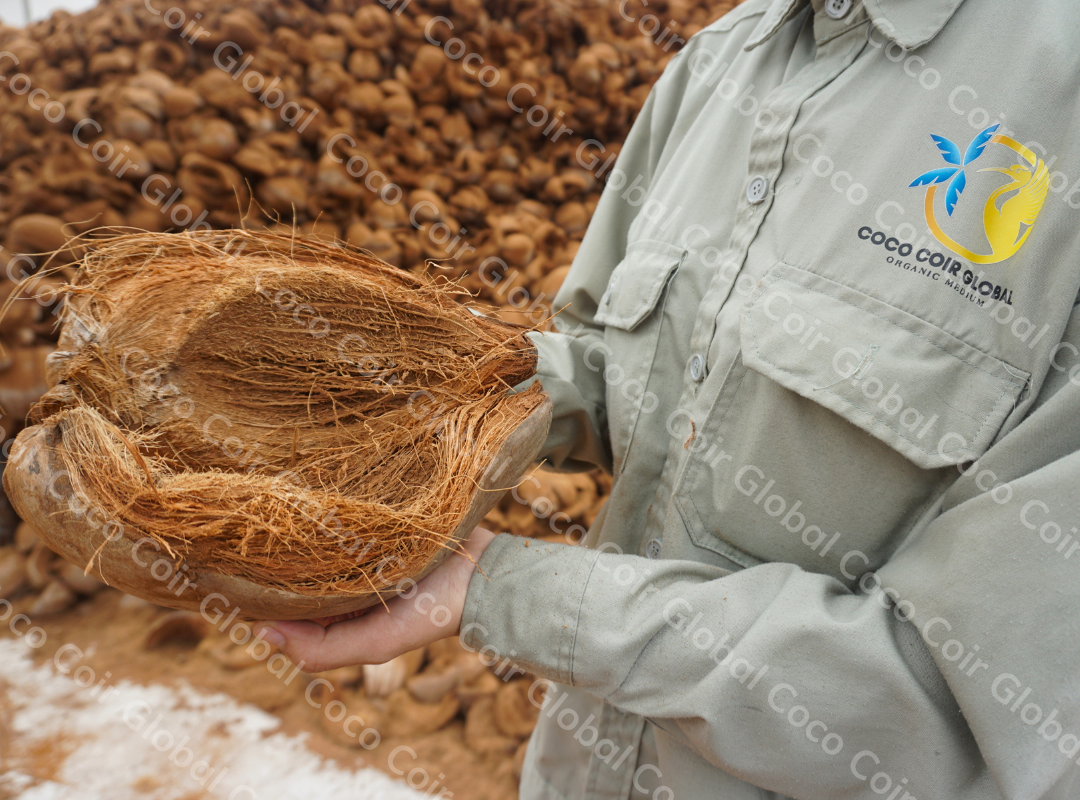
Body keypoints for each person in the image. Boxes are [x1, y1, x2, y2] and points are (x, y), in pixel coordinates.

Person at [257, 0, 1080, 797]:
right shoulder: (723, 55)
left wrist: (502, 594)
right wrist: (427, 386)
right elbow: (623, 376)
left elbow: (968, 710)